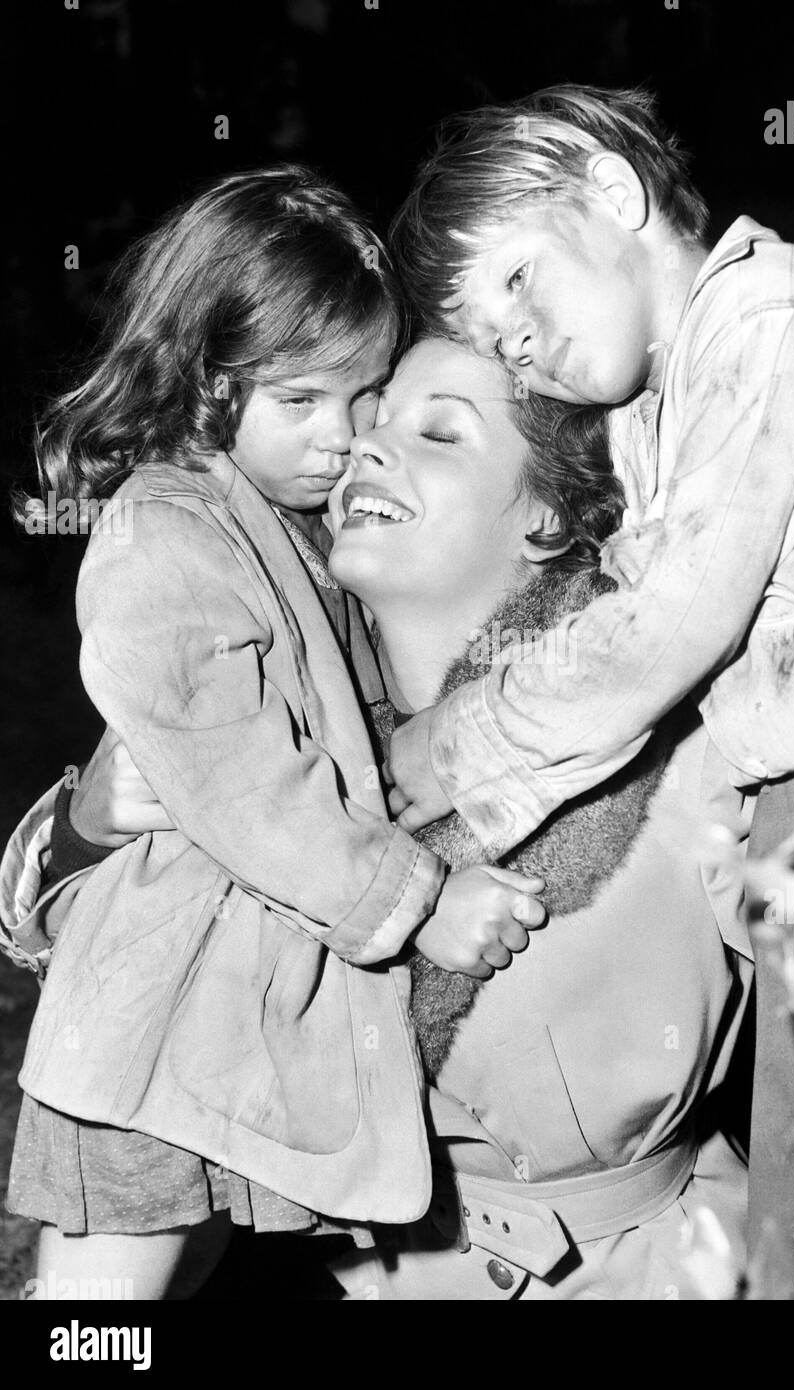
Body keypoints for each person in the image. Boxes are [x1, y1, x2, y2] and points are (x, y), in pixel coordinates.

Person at [381, 84, 794, 1285]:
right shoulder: (647, 419)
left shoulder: (769, 310)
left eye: (518, 282)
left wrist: (427, 761)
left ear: (615, 191)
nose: (515, 341)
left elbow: (663, 634)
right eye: (493, 337)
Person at [6, 336, 755, 1300]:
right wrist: (85, 825)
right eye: (369, 419)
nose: (364, 448)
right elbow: (84, 955)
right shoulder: (278, 721)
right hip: (339, 1265)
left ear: (547, 512)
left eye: (438, 433)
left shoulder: (678, 746)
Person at [0, 167, 544, 1300]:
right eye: (303, 402)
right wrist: (423, 902)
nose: (345, 439)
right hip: (151, 1044)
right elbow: (257, 784)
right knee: (94, 1321)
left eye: (365, 399)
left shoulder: (292, 530)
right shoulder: (167, 533)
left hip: (237, 1039)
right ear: (205, 384)